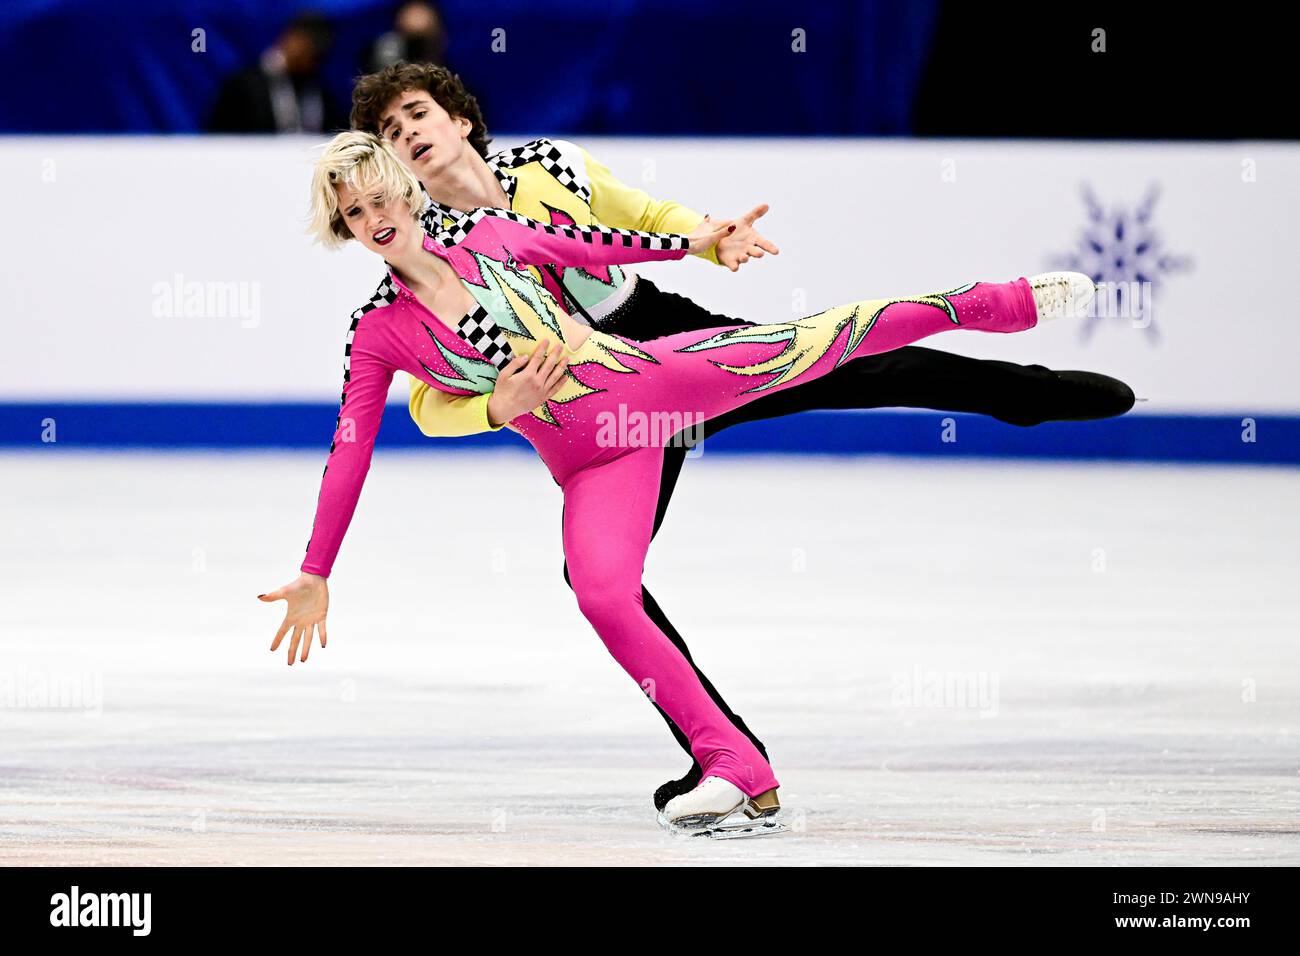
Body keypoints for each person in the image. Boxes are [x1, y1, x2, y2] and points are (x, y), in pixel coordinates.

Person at [347, 63, 1137, 813]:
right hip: (605, 415)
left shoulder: (551, 162)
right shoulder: (418, 250)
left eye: (417, 114)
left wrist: (709, 233)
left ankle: (1027, 393)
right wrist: (493, 407)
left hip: (665, 339)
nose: (409, 133)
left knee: (849, 369)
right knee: (605, 587)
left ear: (460, 119)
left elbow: (646, 217)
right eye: (390, 131)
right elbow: (426, 399)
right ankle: (723, 754)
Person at [208, 12, 345, 134]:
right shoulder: (246, 85)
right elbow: (222, 136)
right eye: (306, 47)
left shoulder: (318, 89)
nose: (308, 58)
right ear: (290, 38)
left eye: (317, 55)